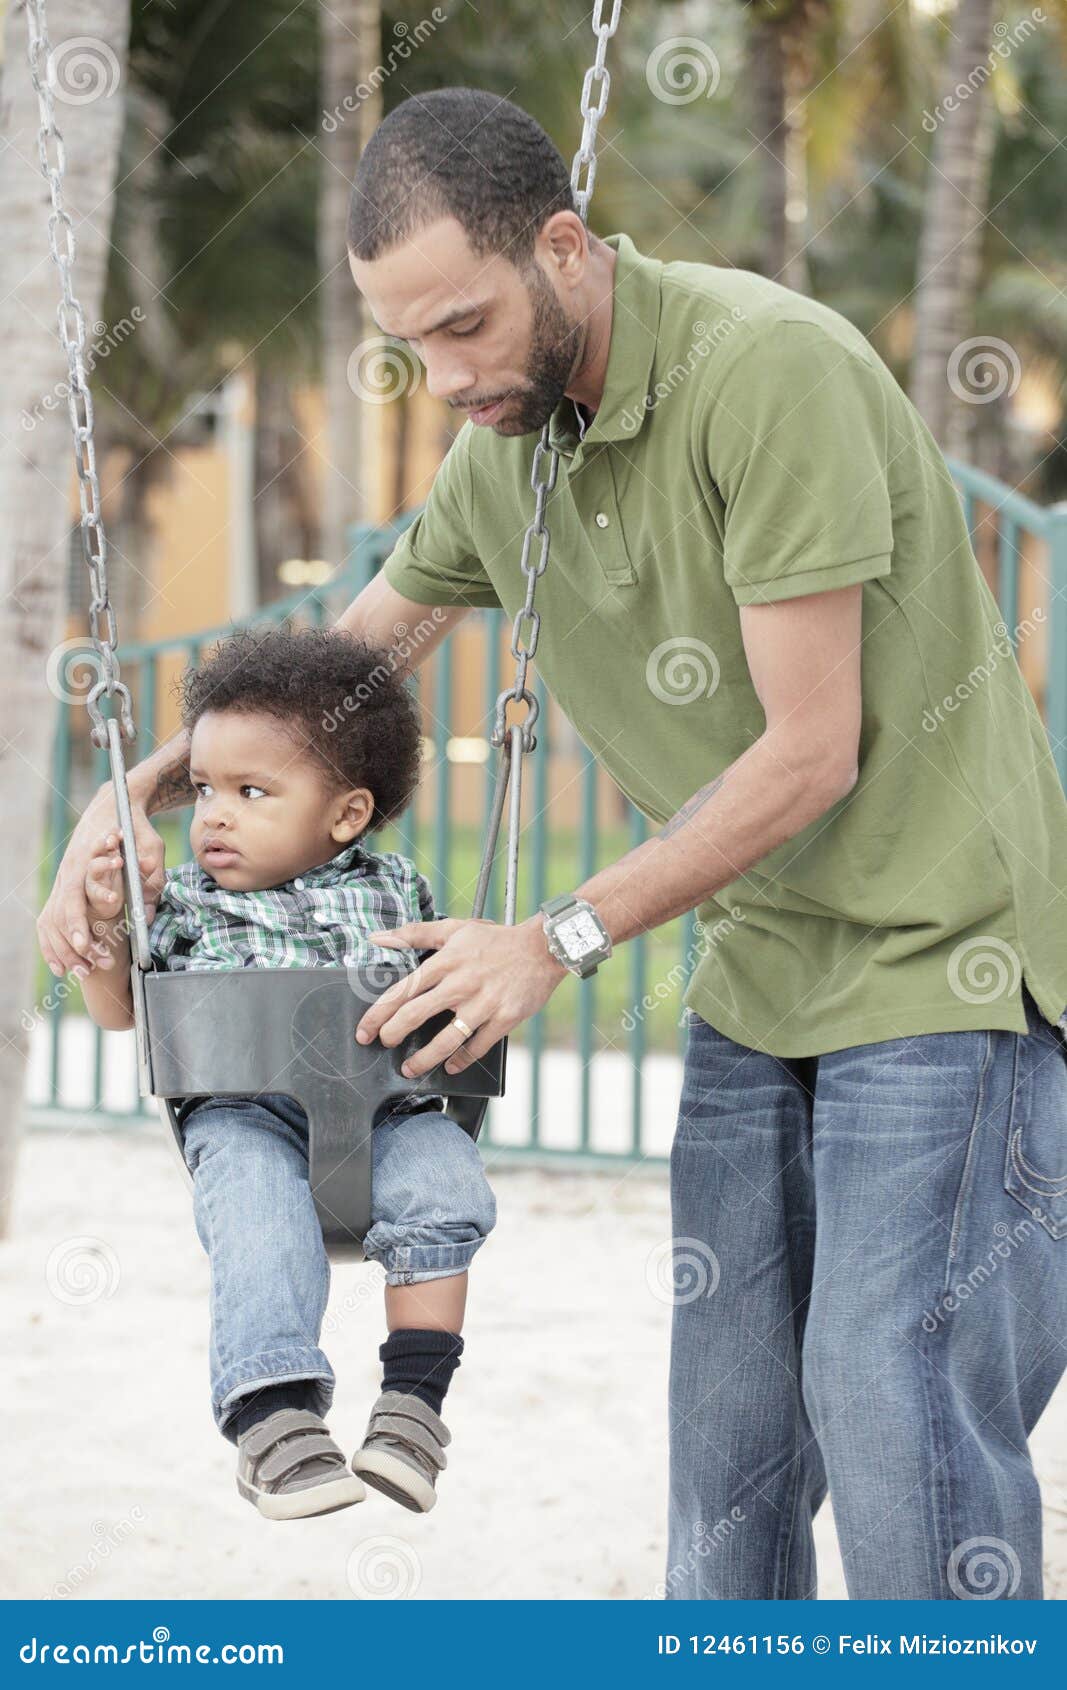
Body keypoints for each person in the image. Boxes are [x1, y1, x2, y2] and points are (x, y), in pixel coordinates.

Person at [41, 89, 1067, 1596]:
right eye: (414, 346)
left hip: (940, 968)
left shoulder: (760, 369)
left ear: (566, 248)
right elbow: (342, 670)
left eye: (465, 325)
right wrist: (132, 795)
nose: (444, 377)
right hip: (755, 980)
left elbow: (808, 751)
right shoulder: (508, 439)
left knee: (884, 1393)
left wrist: (556, 938)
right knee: (723, 1457)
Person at [76, 623, 498, 1521]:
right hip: (246, 1115)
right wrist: (111, 930)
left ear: (345, 814)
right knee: (258, 1216)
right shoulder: (182, 901)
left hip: (390, 1109)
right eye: (202, 791)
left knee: (448, 1185)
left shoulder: (398, 891)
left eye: (251, 791)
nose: (213, 815)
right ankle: (273, 1414)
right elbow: (121, 1012)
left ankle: (412, 1410)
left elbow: (448, 993)